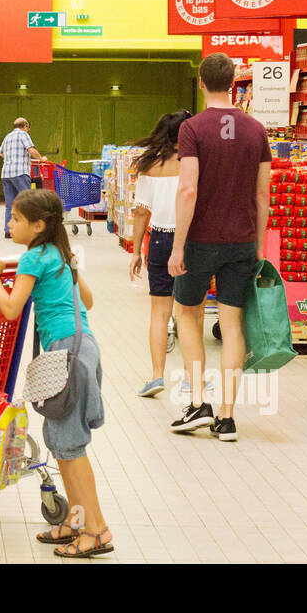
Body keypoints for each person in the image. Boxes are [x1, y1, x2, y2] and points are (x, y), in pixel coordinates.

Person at [0, 189, 110, 558]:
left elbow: (10, 308)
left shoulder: (32, 259)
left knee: (70, 448)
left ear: (38, 225)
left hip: (63, 356)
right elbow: (87, 302)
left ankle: (98, 530)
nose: (9, 223)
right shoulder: (61, 254)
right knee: (64, 443)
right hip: (83, 347)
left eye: (16, 219)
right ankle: (75, 520)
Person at [168, 53, 272, 443]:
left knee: (188, 315)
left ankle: (198, 402)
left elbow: (188, 188)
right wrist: (259, 245)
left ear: (200, 83)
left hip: (199, 240)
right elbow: (263, 194)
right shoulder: (256, 130)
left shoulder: (192, 129)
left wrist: (178, 246)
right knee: (231, 326)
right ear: (233, 84)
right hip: (242, 241)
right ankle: (226, 418)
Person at [127, 110, 192, 398]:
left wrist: (135, 250)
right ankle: (191, 377)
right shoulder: (194, 163)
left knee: (159, 312)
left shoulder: (149, 164)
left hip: (159, 241)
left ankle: (156, 376)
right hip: (190, 240)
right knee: (190, 313)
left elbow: (141, 211)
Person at [0, 118, 47, 239]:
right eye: (28, 128)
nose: (28, 130)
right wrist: (41, 159)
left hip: (6, 174)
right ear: (25, 126)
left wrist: (11, 157)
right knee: (27, 201)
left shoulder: (8, 136)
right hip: (20, 172)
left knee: (10, 204)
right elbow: (31, 150)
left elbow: (0, 153)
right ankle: (30, 229)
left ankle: (8, 231)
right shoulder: (23, 134)